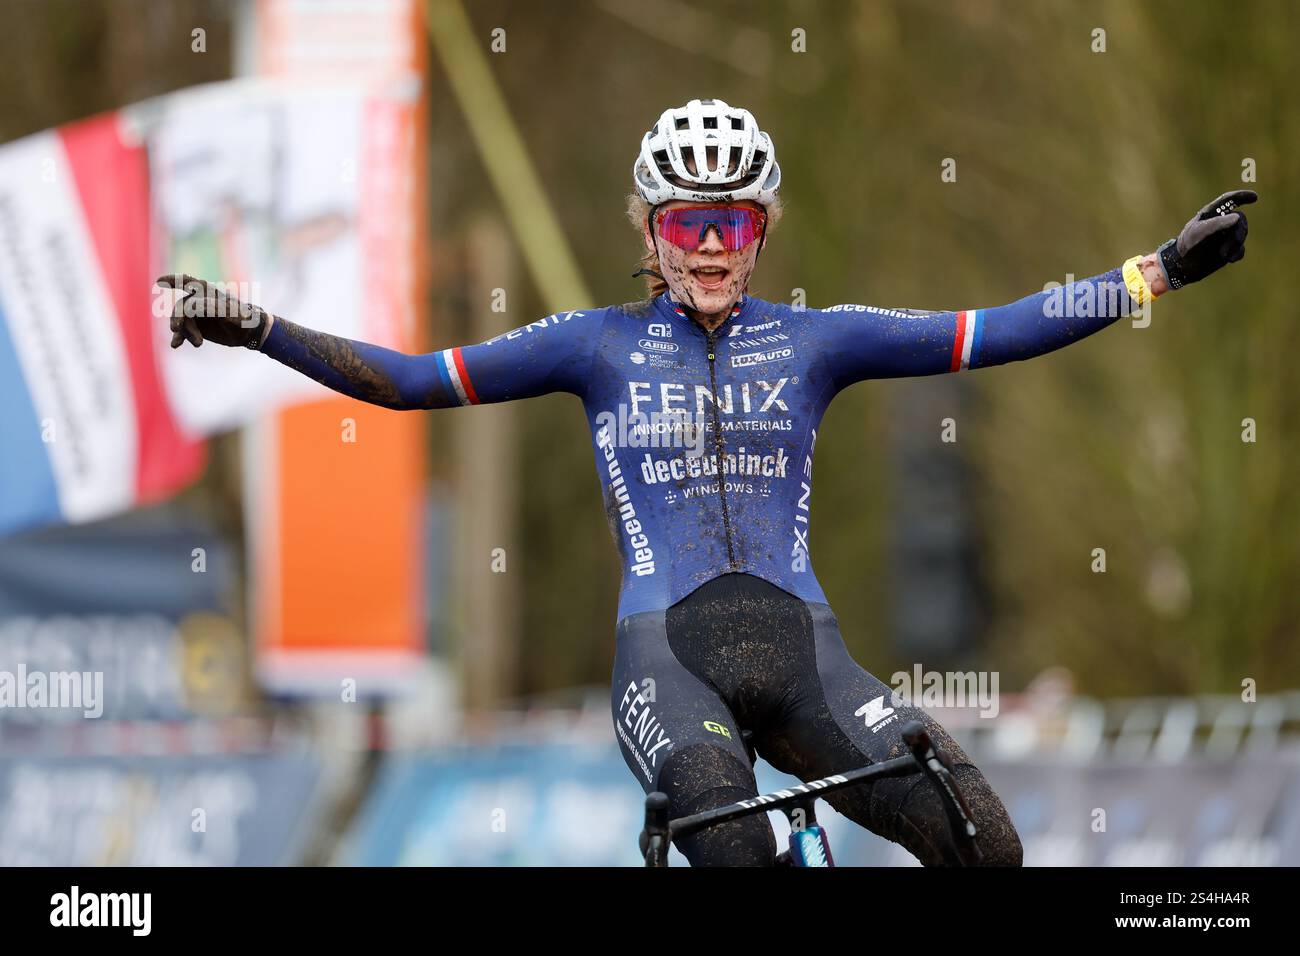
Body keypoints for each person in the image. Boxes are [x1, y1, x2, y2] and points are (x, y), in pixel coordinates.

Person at [158, 98, 1253, 866]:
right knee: (732, 841)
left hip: (806, 659)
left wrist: (1152, 269)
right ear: (650, 230)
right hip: (666, 662)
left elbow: (995, 330)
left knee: (985, 839)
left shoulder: (817, 340)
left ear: (762, 229)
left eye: (733, 222)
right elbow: (405, 381)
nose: (713, 247)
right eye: (690, 223)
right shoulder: (592, 346)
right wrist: (257, 326)